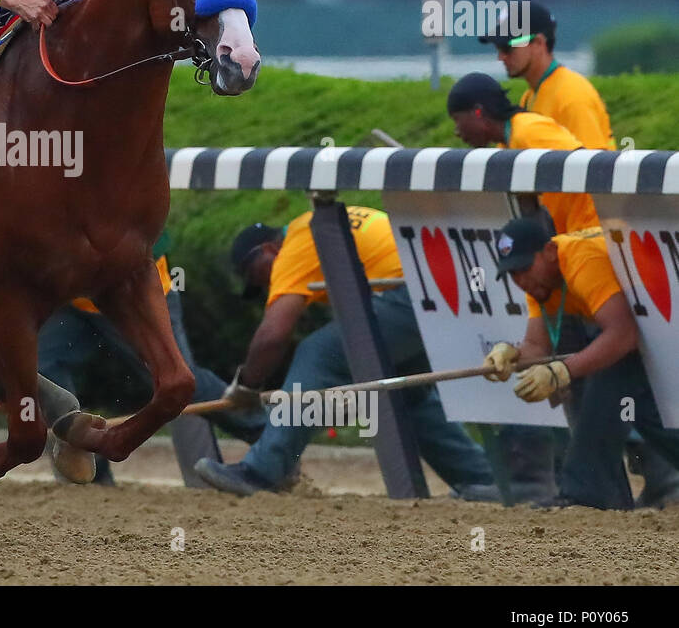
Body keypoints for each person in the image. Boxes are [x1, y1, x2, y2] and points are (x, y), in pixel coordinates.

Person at [194, 208, 497, 498]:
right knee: (408, 393)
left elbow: (273, 336)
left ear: (270, 249)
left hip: (416, 290)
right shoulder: (321, 227)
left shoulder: (298, 242)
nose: (263, 284)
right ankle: (483, 480)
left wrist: (247, 386)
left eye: (254, 273)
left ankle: (261, 471)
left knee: (318, 353)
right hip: (443, 289)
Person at [37, 233, 265, 486]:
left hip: (132, 289)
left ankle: (271, 441)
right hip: (73, 299)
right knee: (41, 367)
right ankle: (86, 471)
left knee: (178, 380)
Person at [482, 216, 679, 509]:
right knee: (642, 409)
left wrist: (561, 370)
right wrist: (511, 354)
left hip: (663, 310)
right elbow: (537, 346)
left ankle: (586, 494)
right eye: (512, 274)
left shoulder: (581, 261)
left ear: (549, 251)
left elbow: (623, 335)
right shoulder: (541, 282)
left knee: (613, 373)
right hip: (658, 317)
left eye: (524, 268)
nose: (520, 280)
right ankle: (591, 493)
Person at [447, 72, 599, 236]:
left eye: (457, 120)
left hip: (588, 233)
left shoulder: (528, 131)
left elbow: (588, 167)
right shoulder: (506, 144)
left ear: (478, 112)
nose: (457, 131)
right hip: (569, 237)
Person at [479, 1, 614, 150]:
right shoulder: (530, 96)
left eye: (507, 47)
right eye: (498, 48)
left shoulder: (572, 95)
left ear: (538, 43)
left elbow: (593, 165)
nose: (501, 57)